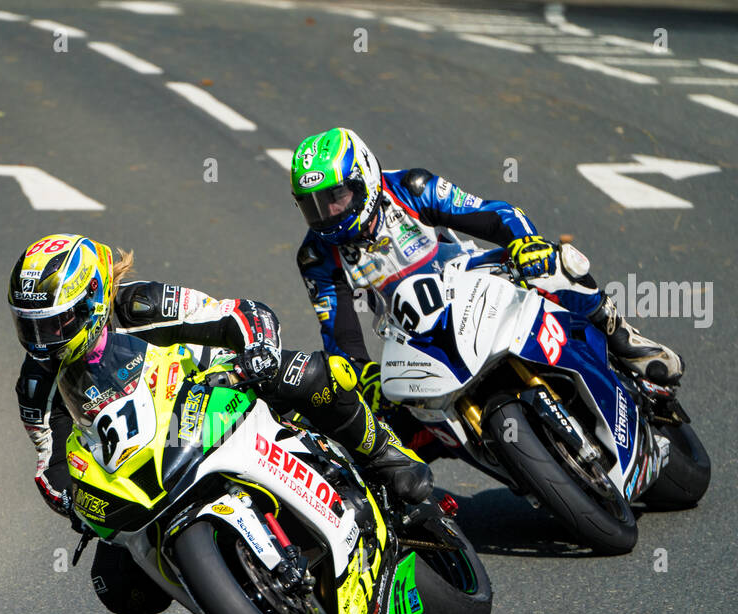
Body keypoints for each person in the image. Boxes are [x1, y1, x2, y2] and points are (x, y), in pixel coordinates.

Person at [10, 233, 433, 614]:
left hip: (218, 390)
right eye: (29, 326)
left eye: (54, 323)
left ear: (94, 299)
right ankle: (242, 605)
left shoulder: (141, 306)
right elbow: (52, 465)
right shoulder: (36, 386)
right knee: (118, 588)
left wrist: (258, 353)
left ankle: (387, 454)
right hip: (143, 467)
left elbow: (240, 314)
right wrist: (75, 502)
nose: (42, 340)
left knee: (316, 374)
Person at [290, 127, 684, 419]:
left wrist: (525, 242)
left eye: (336, 198)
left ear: (365, 179)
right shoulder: (317, 257)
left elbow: (495, 216)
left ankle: (623, 338)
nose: (329, 215)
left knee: (557, 264)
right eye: (315, 206)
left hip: (472, 278)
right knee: (383, 414)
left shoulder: (412, 187)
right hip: (413, 336)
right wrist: (361, 377)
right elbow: (340, 335)